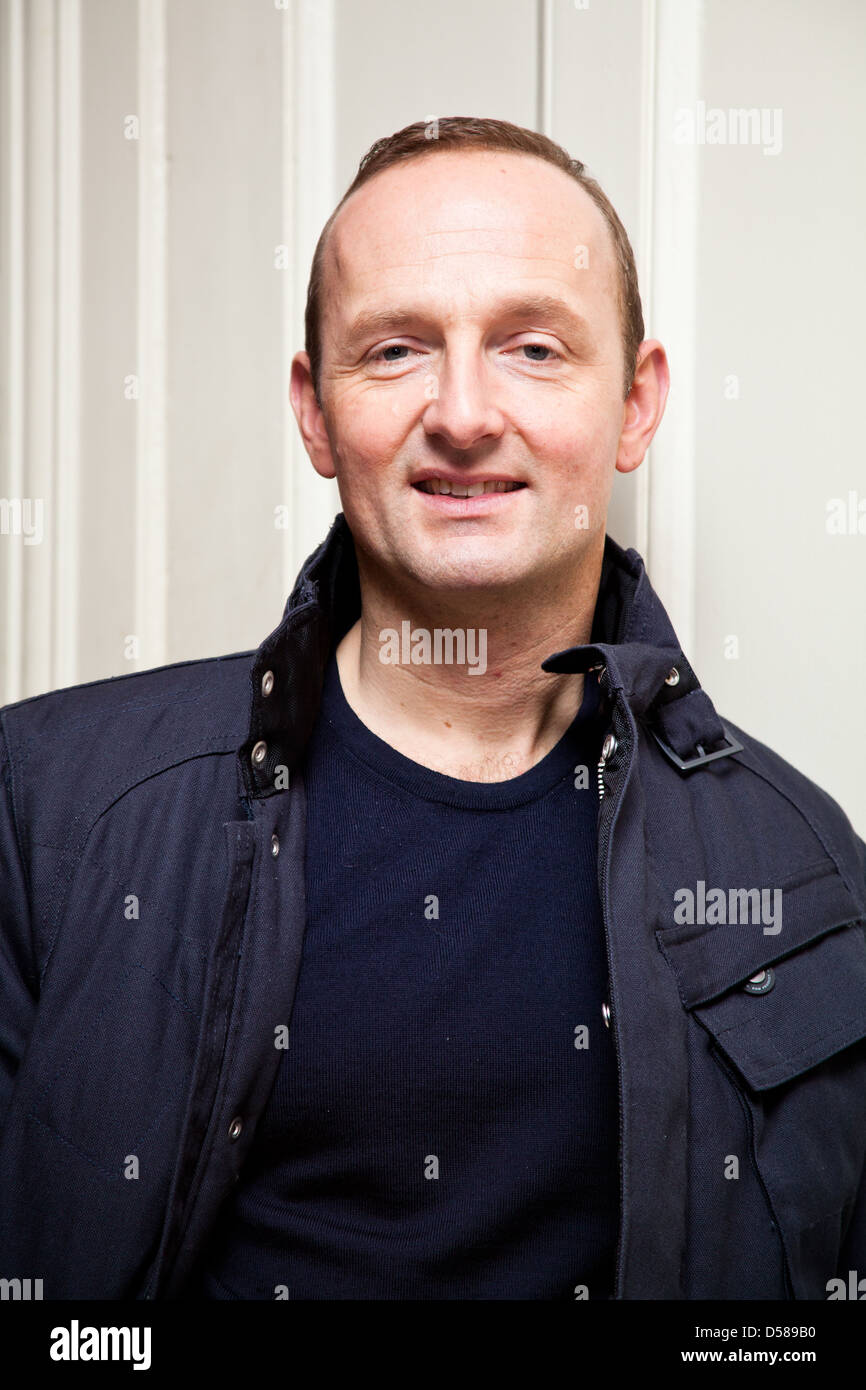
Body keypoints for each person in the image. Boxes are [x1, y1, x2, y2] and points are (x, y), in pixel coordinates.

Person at [1, 116, 864, 1302]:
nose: (461, 414)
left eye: (533, 349)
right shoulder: (50, 805)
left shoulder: (802, 873)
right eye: (396, 349)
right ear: (313, 411)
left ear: (635, 403)